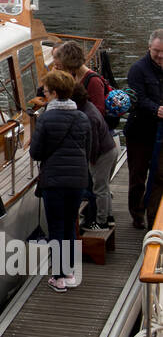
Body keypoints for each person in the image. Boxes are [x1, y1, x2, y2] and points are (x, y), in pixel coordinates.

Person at [30, 70, 92, 290]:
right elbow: (88, 150)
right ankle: (71, 273)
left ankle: (58, 277)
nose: (44, 95)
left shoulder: (46, 118)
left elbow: (35, 152)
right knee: (70, 225)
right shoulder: (82, 117)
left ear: (55, 93)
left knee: (56, 227)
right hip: (77, 181)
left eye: (46, 92)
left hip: (54, 181)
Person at [126, 30, 163, 229]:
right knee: (137, 175)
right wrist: (156, 109)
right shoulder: (137, 69)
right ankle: (137, 214)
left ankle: (154, 216)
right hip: (140, 132)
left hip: (161, 133)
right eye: (156, 51)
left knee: (159, 176)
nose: (160, 56)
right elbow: (136, 98)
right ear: (149, 48)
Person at [73, 83, 117, 231]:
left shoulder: (87, 116)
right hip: (109, 149)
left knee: (100, 189)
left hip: (102, 155)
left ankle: (101, 222)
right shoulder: (88, 106)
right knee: (104, 187)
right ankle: (109, 218)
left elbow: (94, 144)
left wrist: (88, 162)